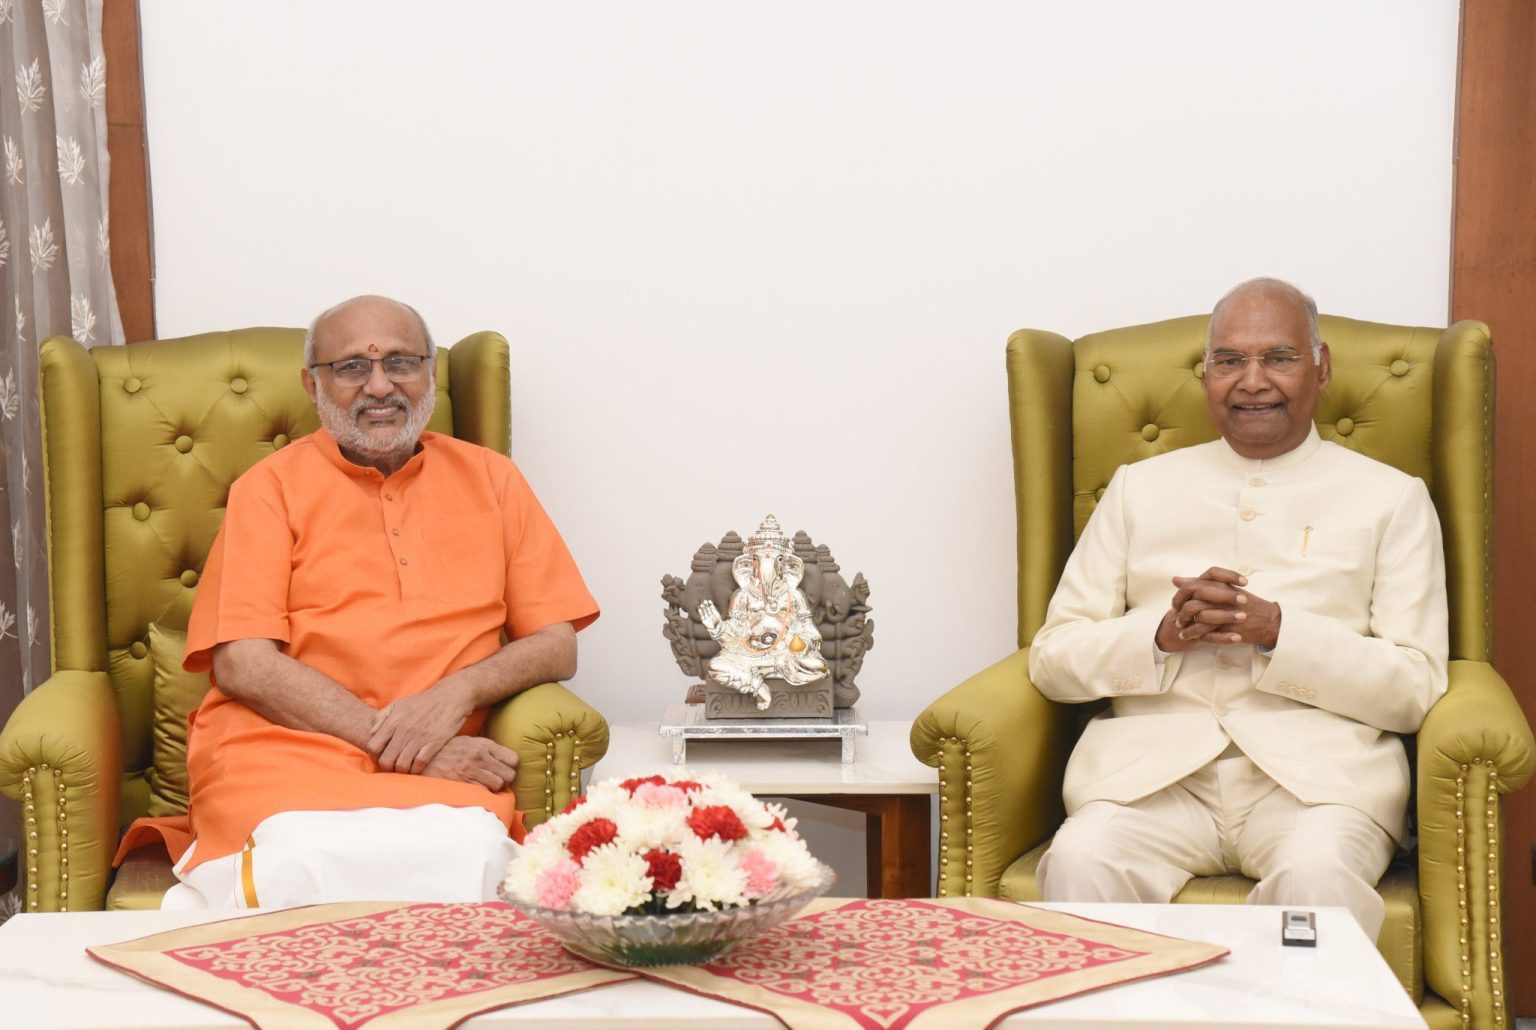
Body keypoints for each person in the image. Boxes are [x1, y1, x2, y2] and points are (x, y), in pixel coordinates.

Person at [116, 295, 599, 908]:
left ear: (430, 374)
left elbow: (556, 644)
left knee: (470, 855)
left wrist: (456, 695)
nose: (379, 386)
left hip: (440, 759)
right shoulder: (268, 489)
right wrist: (409, 746)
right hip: (281, 752)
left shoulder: (493, 479)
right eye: (351, 367)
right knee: (298, 857)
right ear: (312, 385)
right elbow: (243, 663)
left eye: (400, 362)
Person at [1027, 278, 1447, 940]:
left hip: (1318, 784)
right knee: (1080, 861)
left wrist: (1279, 632)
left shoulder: (1391, 499)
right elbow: (1053, 659)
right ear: (1206, 374)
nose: (1252, 381)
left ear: (1321, 367)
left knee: (1317, 878)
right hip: (1153, 781)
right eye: (1229, 360)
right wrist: (1160, 636)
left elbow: (1415, 687)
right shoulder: (1139, 489)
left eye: (1279, 357)